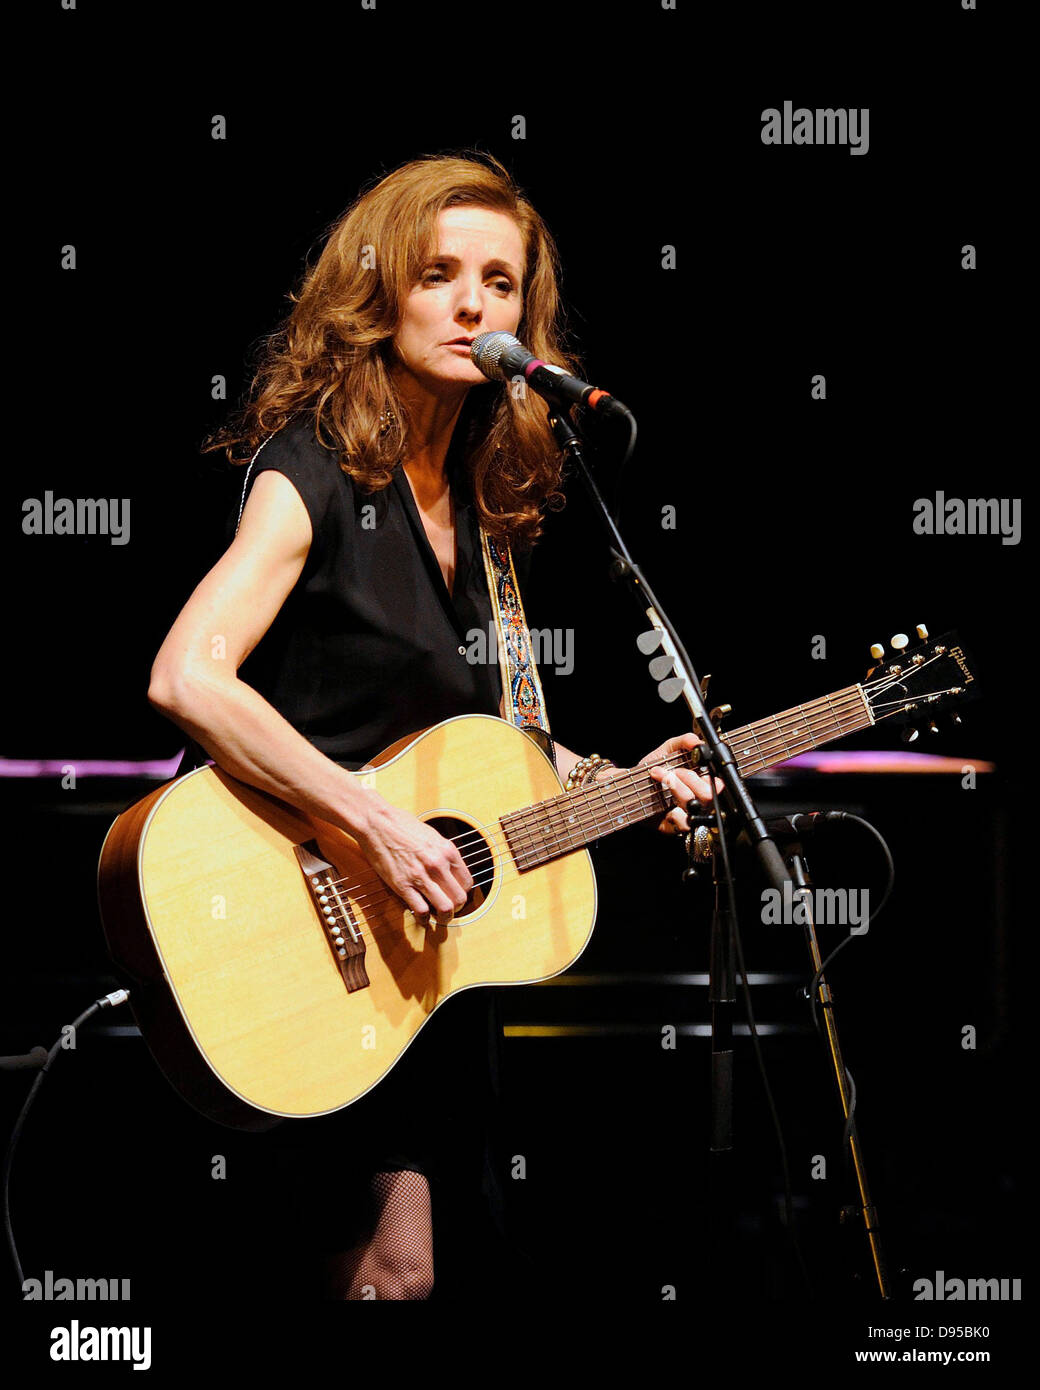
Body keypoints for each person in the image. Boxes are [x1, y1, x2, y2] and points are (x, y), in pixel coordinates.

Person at [146, 151, 716, 1300]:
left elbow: (467, 742)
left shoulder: (487, 517)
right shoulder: (311, 463)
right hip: (293, 918)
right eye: (439, 273)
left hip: (420, 958)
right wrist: (370, 821)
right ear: (378, 294)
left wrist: (615, 777)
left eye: (499, 284)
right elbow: (187, 678)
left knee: (409, 1274)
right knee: (380, 1275)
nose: (473, 305)